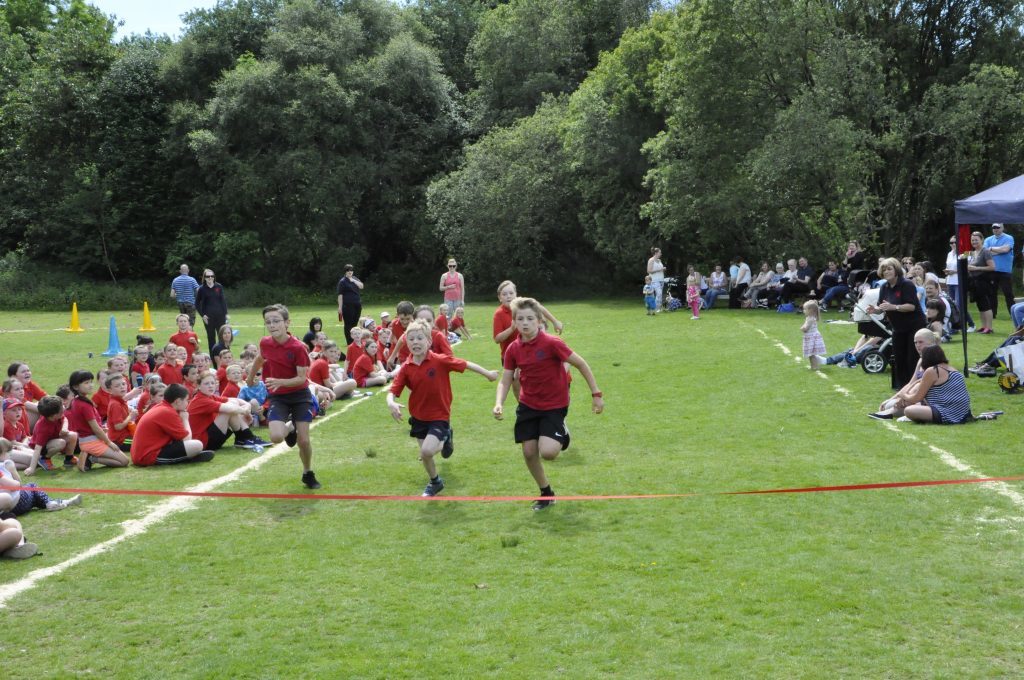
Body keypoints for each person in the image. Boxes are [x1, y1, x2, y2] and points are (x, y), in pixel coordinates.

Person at [493, 297, 604, 510]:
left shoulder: (552, 343)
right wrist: (499, 402)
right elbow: (506, 379)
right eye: (520, 319)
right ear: (514, 322)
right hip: (528, 404)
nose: (525, 323)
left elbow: (580, 363)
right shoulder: (513, 349)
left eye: (530, 319)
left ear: (538, 320)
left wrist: (596, 394)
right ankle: (546, 493)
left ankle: (562, 431)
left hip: (554, 404)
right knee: (528, 452)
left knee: (549, 453)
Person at [387, 320, 497, 496]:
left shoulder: (439, 360)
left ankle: (445, 437)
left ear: (428, 341)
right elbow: (393, 390)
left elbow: (465, 364)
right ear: (406, 343)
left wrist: (488, 374)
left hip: (439, 415)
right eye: (411, 339)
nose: (415, 342)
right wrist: (391, 402)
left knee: (426, 451)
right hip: (418, 416)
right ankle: (435, 482)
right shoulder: (406, 368)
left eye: (419, 338)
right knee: (426, 455)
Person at [248, 304, 321, 489]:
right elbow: (259, 358)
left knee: (304, 441)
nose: (272, 325)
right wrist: (249, 377)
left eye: (276, 321)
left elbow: (302, 378)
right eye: (268, 322)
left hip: (299, 395)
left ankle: (307, 472)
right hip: (278, 396)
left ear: (287, 323)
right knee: (276, 437)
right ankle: (290, 428)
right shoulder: (265, 342)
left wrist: (280, 381)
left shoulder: (298, 347)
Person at [492, 281, 563, 399]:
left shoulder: (521, 305)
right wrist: (511, 329)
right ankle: (523, 404)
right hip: (510, 354)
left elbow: (539, 307)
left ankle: (537, 403)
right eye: (504, 294)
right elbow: (497, 339)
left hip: (529, 349)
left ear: (516, 294)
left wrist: (555, 321)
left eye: (511, 293)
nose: (508, 296)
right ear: (499, 297)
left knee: (532, 377)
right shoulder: (499, 314)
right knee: (515, 381)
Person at [866, 258, 928, 390]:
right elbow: (883, 306)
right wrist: (875, 310)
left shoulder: (906, 285)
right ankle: (901, 387)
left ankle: (915, 387)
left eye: (889, 269)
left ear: (896, 270)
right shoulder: (884, 287)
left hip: (914, 326)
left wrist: (894, 307)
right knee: (899, 357)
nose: (886, 271)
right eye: (884, 269)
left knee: (912, 357)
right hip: (898, 327)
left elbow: (911, 306)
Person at [130, 384, 215, 466]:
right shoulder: (168, 412)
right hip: (147, 456)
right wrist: (185, 419)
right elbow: (187, 439)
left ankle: (190, 456)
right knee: (197, 445)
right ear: (177, 401)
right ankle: (189, 458)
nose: (187, 403)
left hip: (142, 453)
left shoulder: (163, 407)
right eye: (186, 400)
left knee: (194, 445)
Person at [65, 370, 130, 472]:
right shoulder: (83, 404)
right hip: (91, 442)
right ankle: (91, 458)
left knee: (123, 460)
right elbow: (95, 428)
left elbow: (87, 424)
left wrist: (102, 428)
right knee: (124, 461)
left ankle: (89, 455)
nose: (90, 385)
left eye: (91, 381)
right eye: (86, 383)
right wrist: (109, 442)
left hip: (91, 439)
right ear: (75, 387)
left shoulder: (78, 400)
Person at [869, 329, 940, 419]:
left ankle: (907, 414)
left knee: (900, 405)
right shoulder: (921, 360)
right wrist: (892, 398)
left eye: (921, 342)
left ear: (931, 343)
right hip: (915, 398)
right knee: (888, 405)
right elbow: (910, 383)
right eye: (915, 343)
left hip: (928, 401)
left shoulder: (935, 361)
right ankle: (901, 412)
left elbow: (920, 389)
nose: (917, 345)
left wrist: (904, 399)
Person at [188, 372, 267, 451]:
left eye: (212, 383)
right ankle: (246, 437)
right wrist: (246, 411)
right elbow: (231, 409)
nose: (210, 386)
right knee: (228, 410)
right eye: (206, 384)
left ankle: (243, 438)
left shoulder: (210, 396)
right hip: (203, 443)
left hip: (210, 438)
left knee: (232, 404)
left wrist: (248, 406)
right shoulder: (200, 400)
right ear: (198, 386)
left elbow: (236, 400)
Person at [1, 439, 81, 515]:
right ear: (2, 453)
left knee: (36, 498)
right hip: (16, 503)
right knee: (32, 486)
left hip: (6, 504)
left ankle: (60, 502)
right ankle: (51, 503)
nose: (10, 454)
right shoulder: (8, 464)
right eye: (8, 452)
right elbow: (18, 484)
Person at [897, 346, 972, 424]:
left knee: (908, 410)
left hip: (947, 412)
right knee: (912, 402)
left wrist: (903, 395)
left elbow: (916, 398)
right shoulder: (952, 369)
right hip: (963, 412)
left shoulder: (933, 370)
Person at [28, 395, 78, 475]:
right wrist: (31, 468)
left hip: (53, 439)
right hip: (42, 448)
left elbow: (64, 419)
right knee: (61, 443)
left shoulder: (57, 416)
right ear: (55, 415)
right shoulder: (43, 427)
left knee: (73, 435)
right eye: (61, 407)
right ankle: (44, 459)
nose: (64, 406)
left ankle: (69, 459)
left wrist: (64, 428)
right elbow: (37, 448)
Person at [966, 230, 996, 334]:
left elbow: (992, 267)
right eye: (972, 240)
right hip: (974, 282)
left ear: (982, 240)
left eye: (976, 240)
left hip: (983, 281)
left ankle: (989, 327)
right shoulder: (971, 252)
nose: (974, 242)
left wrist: (976, 268)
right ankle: (983, 326)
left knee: (986, 304)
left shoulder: (985, 251)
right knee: (980, 305)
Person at [983, 223, 1015, 317]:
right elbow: (985, 253)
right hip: (992, 270)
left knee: (1008, 293)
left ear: (1002, 228)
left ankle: (1013, 313)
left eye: (998, 227)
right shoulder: (988, 239)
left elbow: (1006, 250)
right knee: (992, 293)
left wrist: (992, 249)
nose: (996, 229)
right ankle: (993, 314)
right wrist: (1000, 250)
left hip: (1005, 270)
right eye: (994, 227)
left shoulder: (1009, 238)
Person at [195, 269, 229, 353]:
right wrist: (203, 315)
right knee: (211, 339)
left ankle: (226, 357)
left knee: (223, 337)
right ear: (204, 278)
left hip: (220, 316)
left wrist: (226, 314)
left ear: (214, 277)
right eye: (208, 276)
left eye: (212, 276)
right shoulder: (201, 289)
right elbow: (196, 303)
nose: (210, 278)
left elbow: (223, 301)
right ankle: (214, 358)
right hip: (208, 318)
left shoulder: (219, 286)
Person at [336, 265, 364, 345]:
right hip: (347, 305)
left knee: (355, 323)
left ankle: (354, 340)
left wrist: (353, 280)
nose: (350, 272)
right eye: (348, 270)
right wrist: (340, 307)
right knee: (348, 324)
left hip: (357, 304)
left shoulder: (355, 279)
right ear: (345, 272)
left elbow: (362, 286)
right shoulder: (342, 281)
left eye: (351, 270)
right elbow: (340, 295)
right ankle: (349, 342)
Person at [801, 300, 826, 369]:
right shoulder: (808, 318)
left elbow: (806, 329)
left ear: (811, 310)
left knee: (812, 354)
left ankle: (815, 366)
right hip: (810, 337)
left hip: (811, 338)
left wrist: (802, 328)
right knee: (811, 354)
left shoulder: (810, 319)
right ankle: (813, 366)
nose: (803, 311)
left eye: (805, 309)